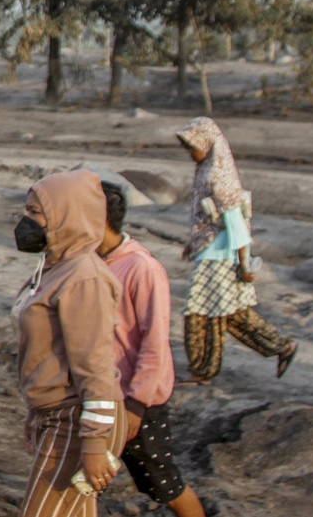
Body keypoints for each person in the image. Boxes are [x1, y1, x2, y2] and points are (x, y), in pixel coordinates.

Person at [12, 170, 131, 517]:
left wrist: (93, 443)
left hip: (78, 419)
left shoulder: (84, 278)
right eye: (27, 210)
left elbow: (96, 366)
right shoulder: (55, 266)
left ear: (68, 215)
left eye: (36, 213)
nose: (26, 220)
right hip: (56, 413)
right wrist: (36, 412)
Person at [99, 183, 207, 517]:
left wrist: (136, 403)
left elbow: (155, 341)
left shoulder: (141, 268)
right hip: (102, 394)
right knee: (84, 476)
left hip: (136, 401)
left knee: (164, 485)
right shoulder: (90, 262)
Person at [175, 118, 296, 384]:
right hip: (213, 251)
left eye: (192, 146)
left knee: (202, 315)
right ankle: (280, 346)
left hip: (219, 258)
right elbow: (211, 217)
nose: (190, 153)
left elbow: (235, 221)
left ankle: (203, 369)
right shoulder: (209, 170)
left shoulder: (217, 177)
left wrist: (244, 263)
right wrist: (193, 242)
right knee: (232, 314)